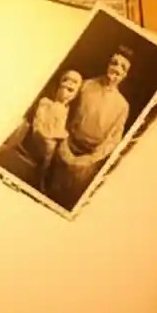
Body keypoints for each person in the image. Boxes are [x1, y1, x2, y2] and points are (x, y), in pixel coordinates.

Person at [44, 47, 134, 209]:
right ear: (108, 65)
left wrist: (89, 160)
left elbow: (113, 140)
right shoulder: (85, 85)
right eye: (114, 63)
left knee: (67, 202)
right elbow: (63, 109)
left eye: (123, 67)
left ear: (125, 75)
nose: (117, 68)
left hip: (87, 163)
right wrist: (63, 142)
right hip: (64, 148)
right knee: (46, 192)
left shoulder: (122, 106)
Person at [0, 69, 83, 190]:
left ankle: (49, 176)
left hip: (53, 139)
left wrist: (60, 135)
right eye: (64, 87)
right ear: (59, 87)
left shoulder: (65, 109)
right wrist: (53, 134)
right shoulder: (45, 103)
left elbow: (59, 127)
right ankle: (42, 177)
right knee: (50, 148)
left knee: (59, 153)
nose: (66, 93)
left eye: (71, 91)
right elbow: (39, 123)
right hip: (40, 135)